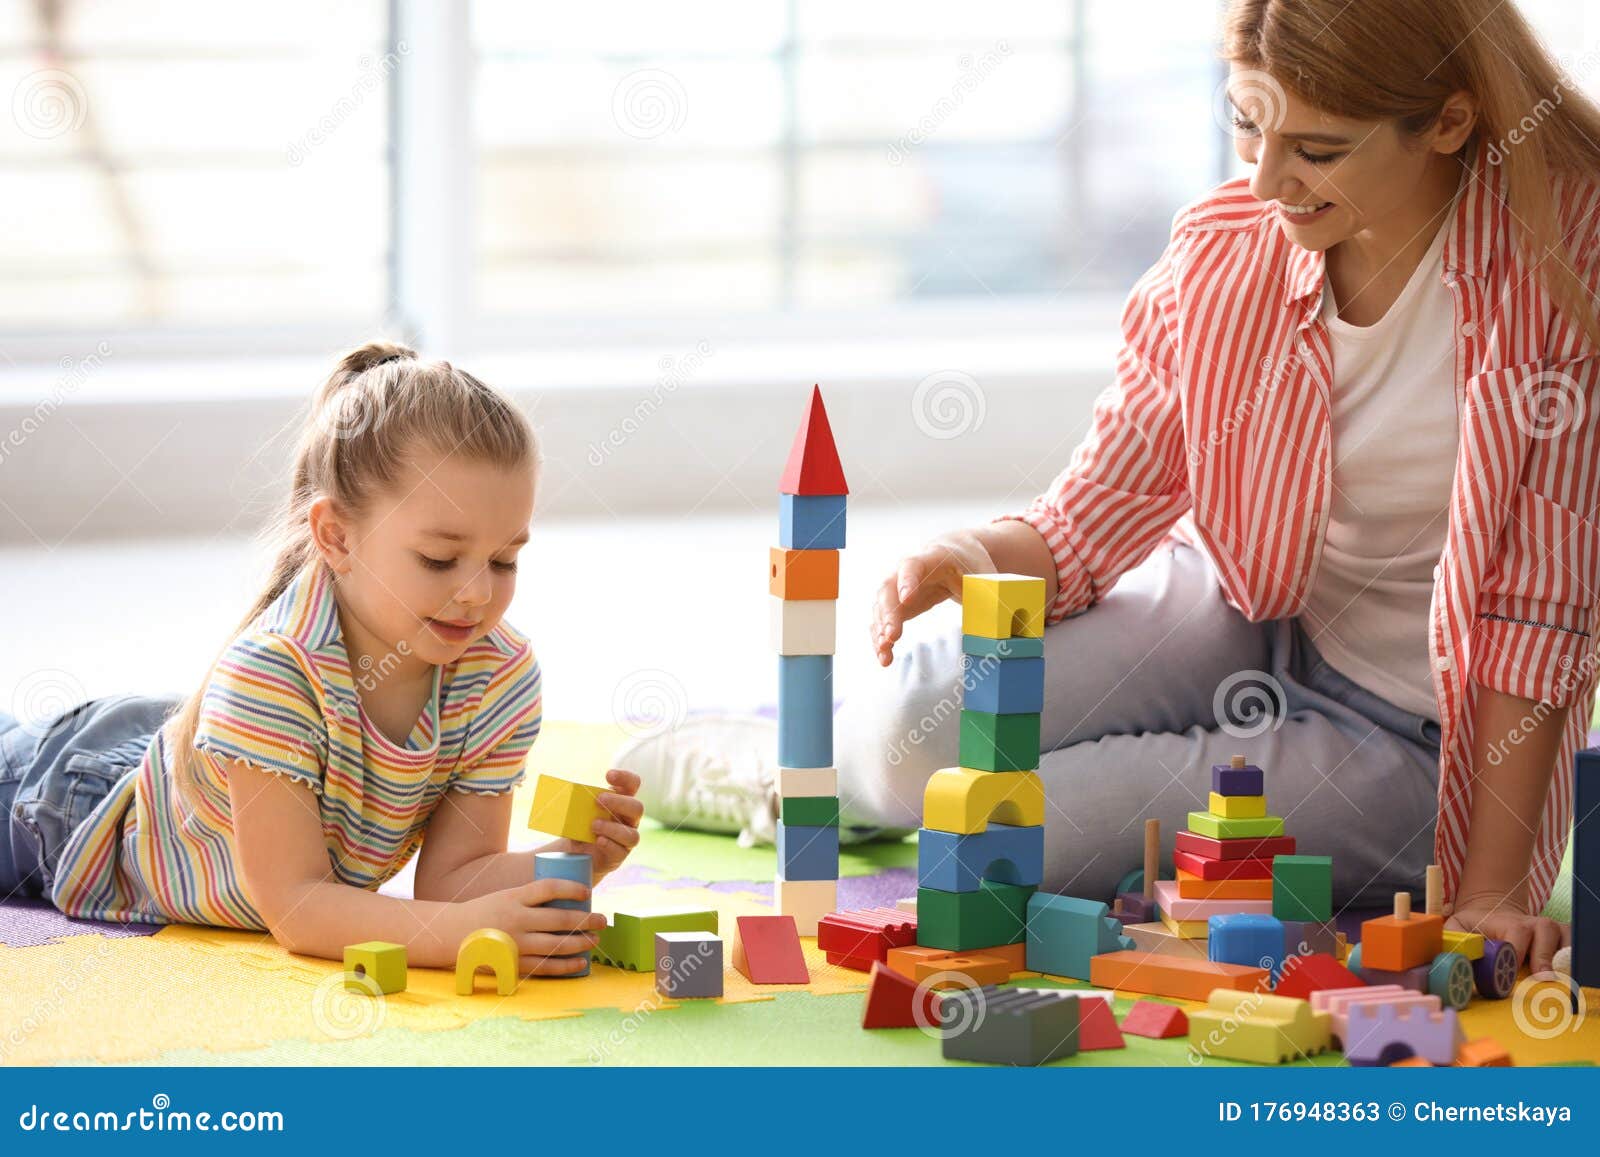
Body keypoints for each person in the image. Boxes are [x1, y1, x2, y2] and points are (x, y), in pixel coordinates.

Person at [622, 0, 1599, 977]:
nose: (1263, 179)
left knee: (1016, 838)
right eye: (1247, 122)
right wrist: (973, 553)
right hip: (1256, 611)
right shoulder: (1232, 247)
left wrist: (1490, 895)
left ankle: (832, 786)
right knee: (909, 733)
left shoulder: (1564, 270)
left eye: (1318, 148)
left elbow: (1538, 611)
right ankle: (798, 776)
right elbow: (1109, 495)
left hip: (1425, 738)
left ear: (1448, 122)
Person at [0, 342, 644, 974]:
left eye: (504, 559)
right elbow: (299, 907)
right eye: (439, 560)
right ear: (336, 537)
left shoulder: (496, 675)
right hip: (65, 802)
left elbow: (452, 883)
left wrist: (569, 857)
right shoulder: (272, 674)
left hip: (190, 755)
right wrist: (462, 935)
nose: (477, 593)